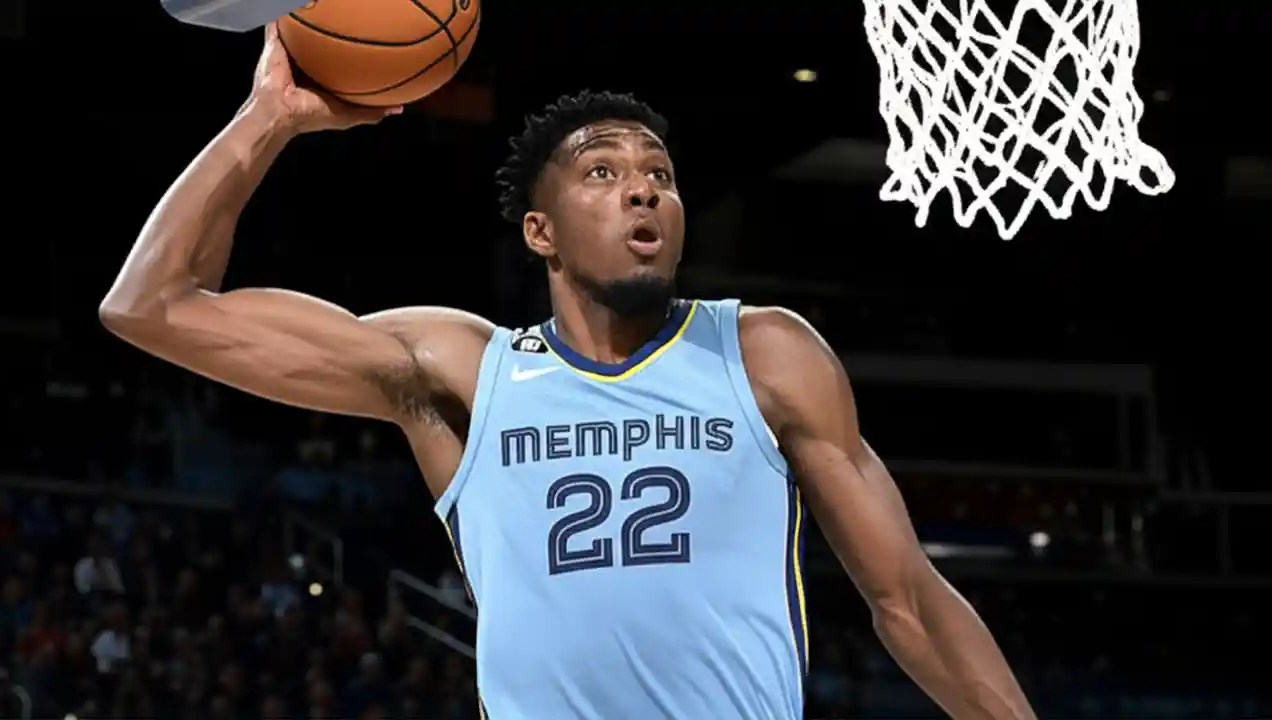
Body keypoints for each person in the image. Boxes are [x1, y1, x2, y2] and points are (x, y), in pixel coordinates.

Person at [99, 23, 1037, 720]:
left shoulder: (763, 351)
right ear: (539, 234)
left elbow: (907, 599)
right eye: (601, 170)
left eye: (659, 174)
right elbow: (153, 306)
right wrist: (269, 119)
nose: (641, 186)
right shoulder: (463, 371)